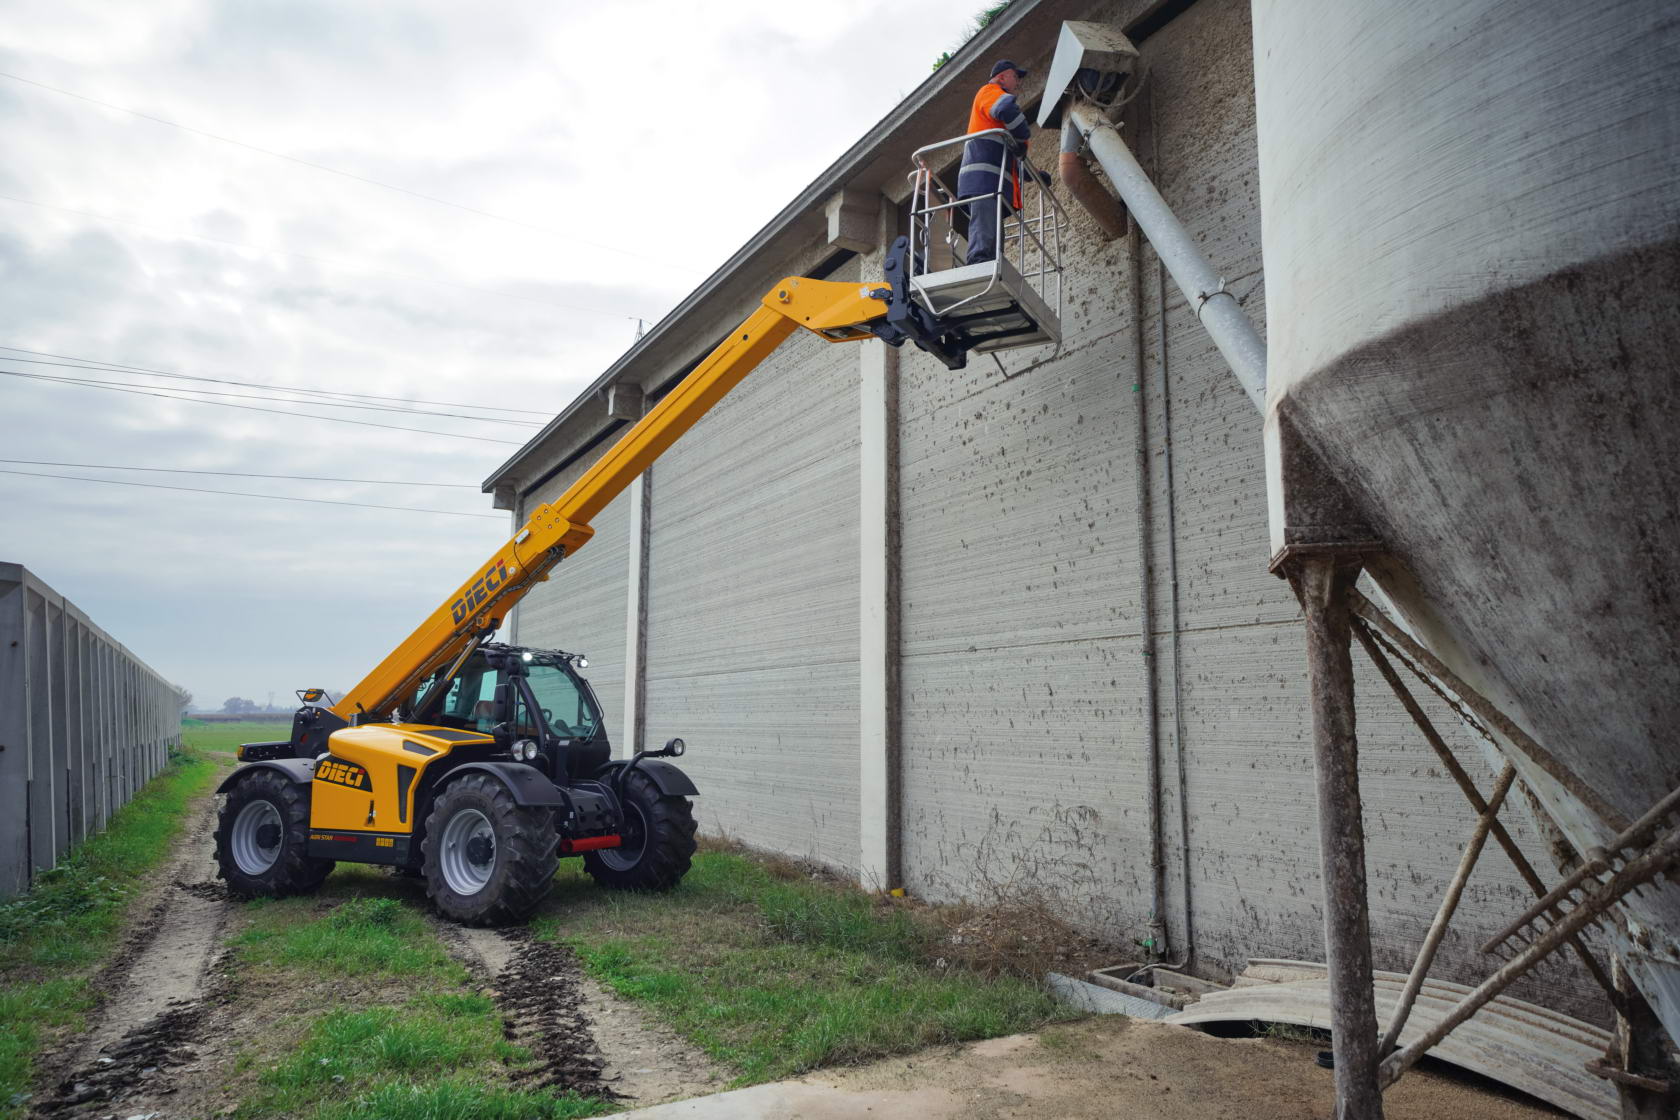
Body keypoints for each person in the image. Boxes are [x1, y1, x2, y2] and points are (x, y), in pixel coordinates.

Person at [960, 60, 1034, 265]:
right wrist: (1022, 138)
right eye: (1015, 76)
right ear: (1001, 77)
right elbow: (1006, 110)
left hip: (992, 183)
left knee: (993, 236)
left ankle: (992, 265)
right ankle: (978, 264)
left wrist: (1032, 173)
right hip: (983, 181)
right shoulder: (989, 91)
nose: (1018, 82)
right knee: (984, 236)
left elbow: (1011, 156)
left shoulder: (998, 122)